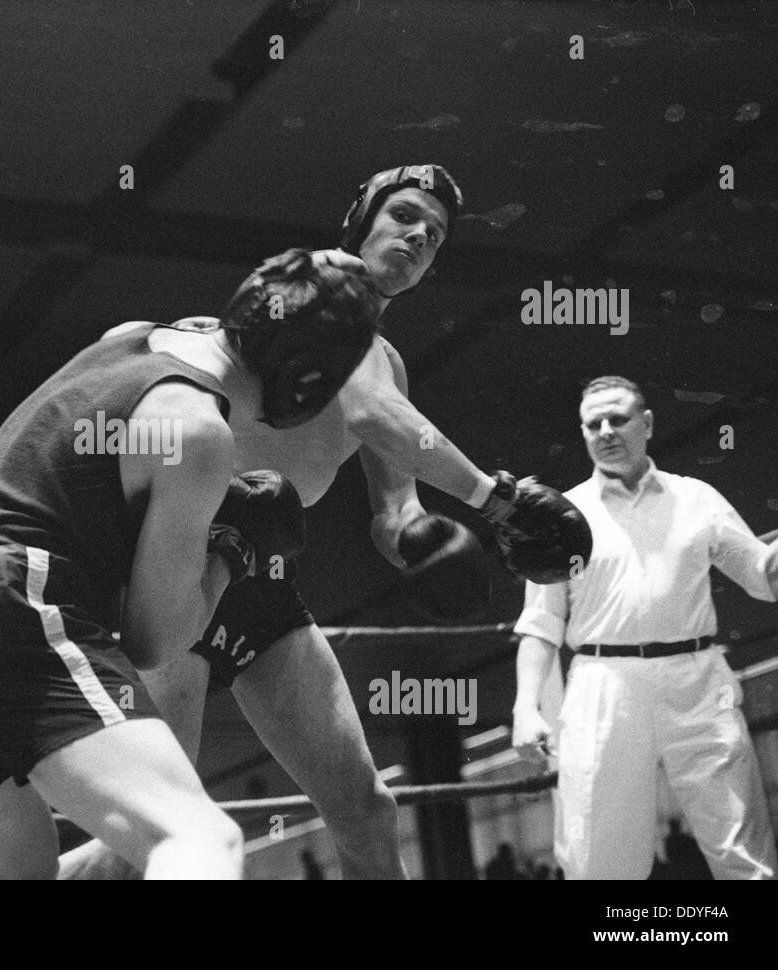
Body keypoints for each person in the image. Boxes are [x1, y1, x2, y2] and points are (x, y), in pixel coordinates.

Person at [60, 165, 592, 879]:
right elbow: (372, 413)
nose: (416, 237)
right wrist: (496, 498)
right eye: (403, 216)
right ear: (361, 219)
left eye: (432, 237)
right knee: (155, 831)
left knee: (366, 809)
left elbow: (393, 509)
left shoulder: (385, 366)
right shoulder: (308, 299)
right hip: (169, 562)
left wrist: (425, 548)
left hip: (261, 580)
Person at [0, 249, 380, 879]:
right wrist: (236, 549)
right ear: (308, 383)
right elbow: (153, 642)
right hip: (10, 603)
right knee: (200, 841)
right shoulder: (197, 432)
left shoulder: (131, 339)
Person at [511, 375, 778, 879]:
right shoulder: (562, 515)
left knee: (742, 850)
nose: (607, 431)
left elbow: (762, 578)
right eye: (594, 424)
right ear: (584, 433)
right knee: (598, 863)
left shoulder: (697, 498)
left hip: (697, 680)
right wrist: (526, 706)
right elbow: (540, 622)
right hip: (602, 686)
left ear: (648, 424)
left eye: (619, 419)